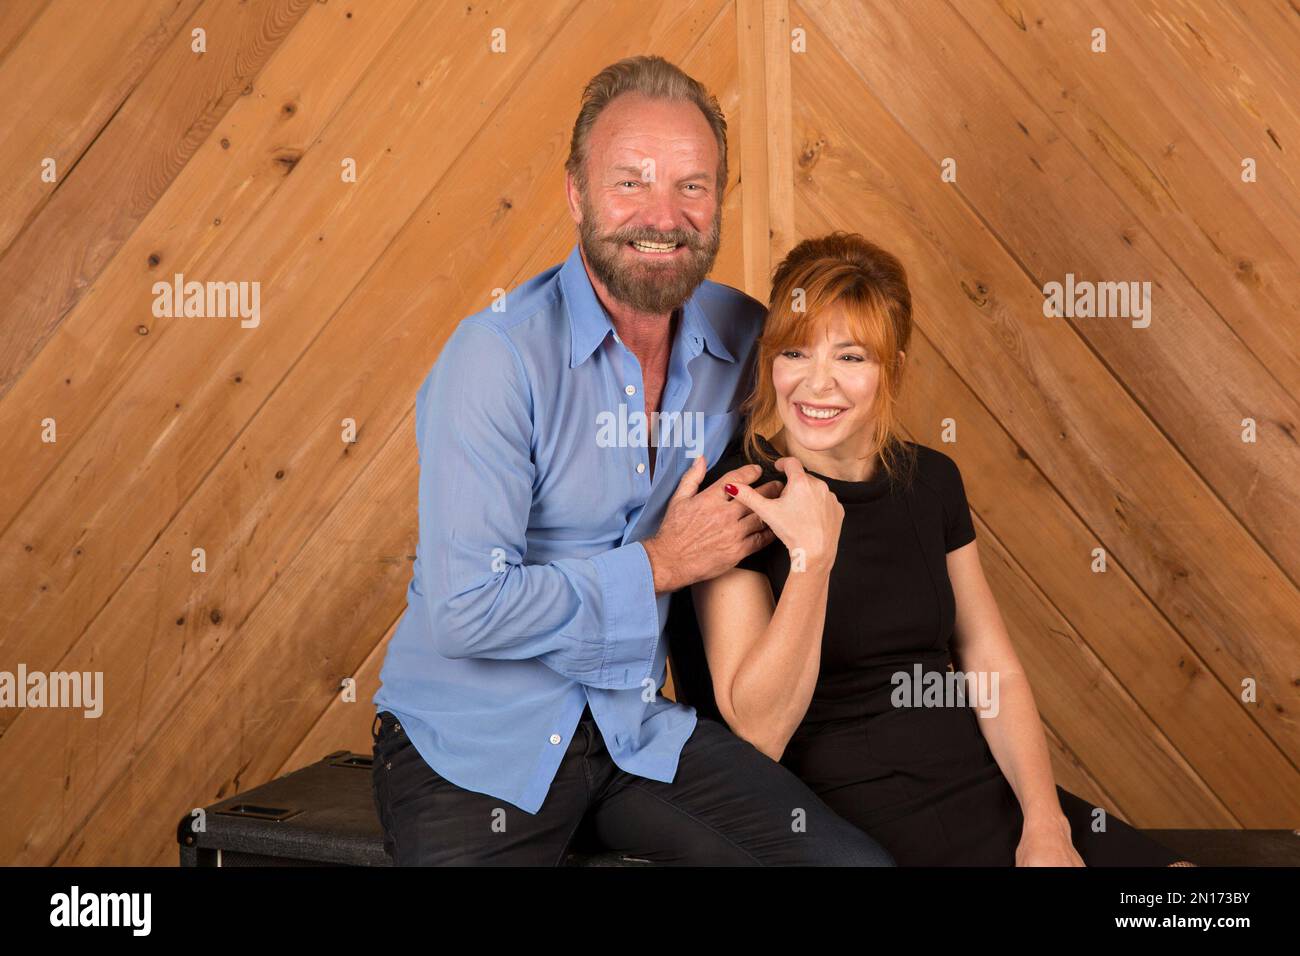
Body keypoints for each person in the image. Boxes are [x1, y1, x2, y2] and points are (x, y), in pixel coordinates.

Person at [369, 57, 893, 866]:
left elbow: (840, 407)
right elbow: (465, 609)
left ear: (719, 201)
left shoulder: (747, 337)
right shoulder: (496, 358)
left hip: (633, 733)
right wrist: (659, 563)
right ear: (576, 194)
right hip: (471, 749)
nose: (663, 215)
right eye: (629, 183)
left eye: (692, 185)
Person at [672, 231, 1196, 866]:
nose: (817, 384)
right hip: (845, 809)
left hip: (971, 776)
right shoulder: (742, 493)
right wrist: (813, 559)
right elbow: (759, 731)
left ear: (891, 367)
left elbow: (990, 665)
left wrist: (1045, 822)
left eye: (852, 357)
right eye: (795, 352)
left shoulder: (931, 481)